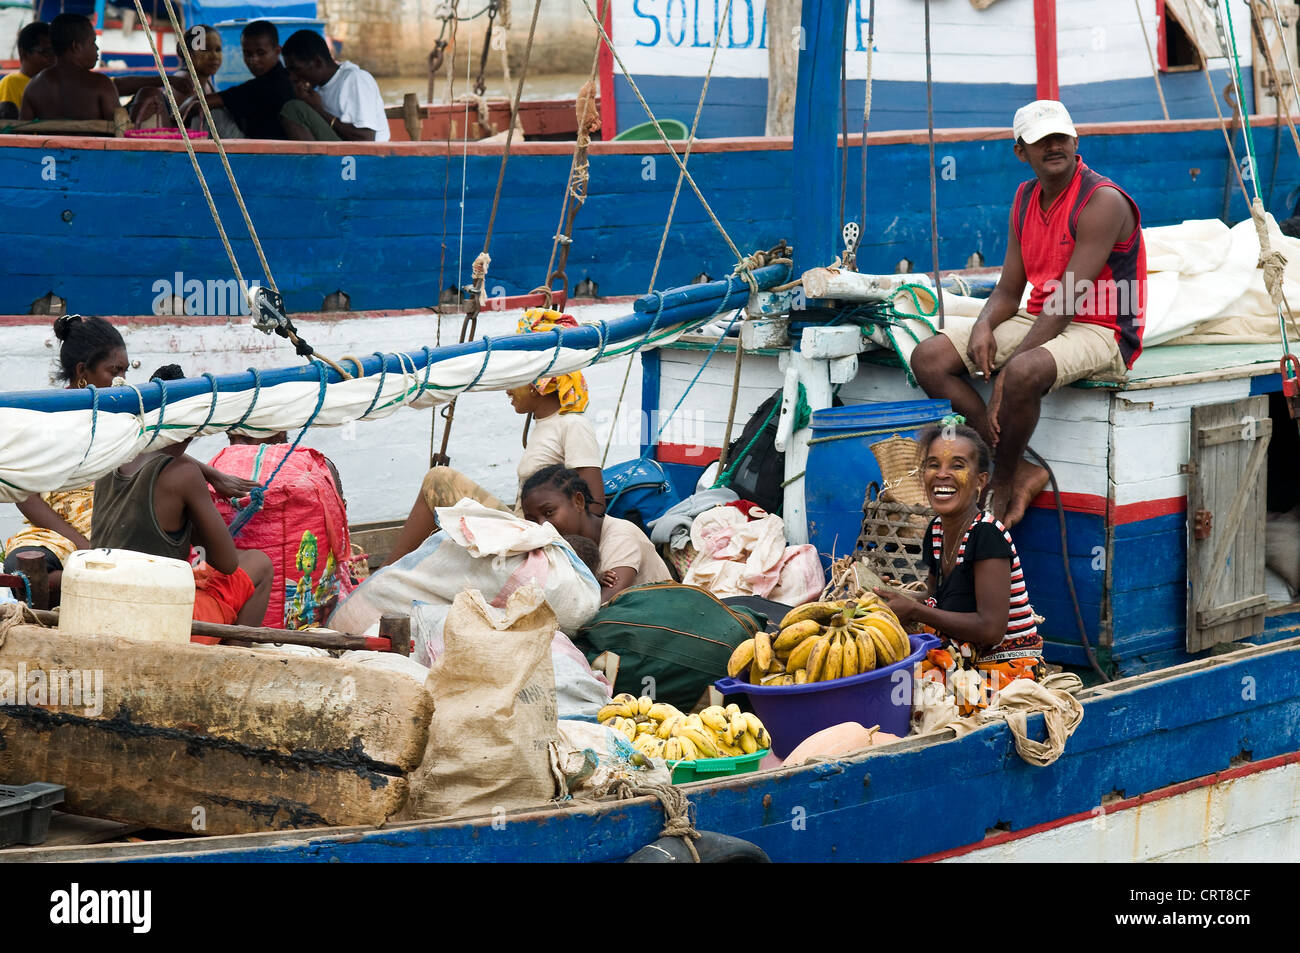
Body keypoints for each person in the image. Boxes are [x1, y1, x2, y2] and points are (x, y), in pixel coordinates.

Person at [910, 100, 1147, 527]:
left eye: (1060, 138)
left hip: (1103, 328)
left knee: (1020, 374)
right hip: (1043, 317)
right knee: (929, 358)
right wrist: (984, 324)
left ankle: (1001, 481)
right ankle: (1015, 466)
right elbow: (1008, 289)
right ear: (1021, 151)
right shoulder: (1023, 198)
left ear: (1076, 141)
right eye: (1041, 141)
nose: (1053, 147)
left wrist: (1010, 369)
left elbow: (1067, 301)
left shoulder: (1102, 200)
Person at [3, 319, 256, 602]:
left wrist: (211, 474)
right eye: (114, 370)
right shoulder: (49, 419)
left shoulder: (117, 415)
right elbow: (24, 495)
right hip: (56, 531)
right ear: (82, 372)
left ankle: (82, 579)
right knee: (24, 564)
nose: (121, 378)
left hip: (105, 517)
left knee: (106, 565)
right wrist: (82, 546)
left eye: (124, 370)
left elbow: (150, 444)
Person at [384, 309, 607, 564]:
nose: (507, 389)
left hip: (533, 540)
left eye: (515, 378)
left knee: (439, 480)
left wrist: (579, 564)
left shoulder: (573, 425)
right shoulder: (544, 425)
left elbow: (594, 508)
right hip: (522, 530)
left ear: (540, 381)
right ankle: (399, 568)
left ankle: (389, 570)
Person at [872, 422, 1043, 707]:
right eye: (933, 465)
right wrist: (898, 598)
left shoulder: (987, 534)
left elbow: (991, 629)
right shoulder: (937, 530)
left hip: (1006, 669)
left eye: (958, 465)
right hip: (966, 657)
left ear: (980, 481)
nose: (942, 475)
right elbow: (935, 600)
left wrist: (914, 609)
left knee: (903, 698)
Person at [91, 365, 273, 629]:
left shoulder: (113, 456)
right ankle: (236, 656)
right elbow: (227, 563)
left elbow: (155, 454)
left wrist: (210, 475)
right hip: (158, 621)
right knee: (259, 563)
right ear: (191, 425)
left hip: (105, 607)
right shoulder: (183, 475)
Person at [520, 465, 670, 603]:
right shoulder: (562, 545)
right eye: (532, 520)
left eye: (549, 512)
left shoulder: (621, 537)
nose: (542, 525)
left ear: (578, 501)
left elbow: (599, 606)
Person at [183, 20, 292, 139]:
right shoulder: (185, 80)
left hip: (263, 151)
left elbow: (197, 104)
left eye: (261, 53)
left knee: (211, 113)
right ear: (190, 53)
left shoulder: (269, 84)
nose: (253, 60)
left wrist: (173, 118)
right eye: (247, 54)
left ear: (277, 51)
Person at [126, 25, 241, 138]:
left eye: (218, 50)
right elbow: (176, 125)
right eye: (205, 49)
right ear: (189, 53)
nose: (214, 56)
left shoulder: (205, 81)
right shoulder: (185, 82)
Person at [279, 29, 389, 142]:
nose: (292, 77)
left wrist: (318, 109)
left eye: (296, 69)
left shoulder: (355, 79)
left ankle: (313, 161)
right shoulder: (319, 89)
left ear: (318, 62)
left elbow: (366, 139)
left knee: (294, 109)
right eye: (289, 72)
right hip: (344, 154)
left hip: (364, 157)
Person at [19, 14, 117, 123]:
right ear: (76, 46)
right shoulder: (101, 84)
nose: (96, 48)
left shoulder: (33, 87)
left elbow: (21, 133)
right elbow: (120, 130)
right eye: (93, 42)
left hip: (46, 141)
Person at [0, 22, 55, 121]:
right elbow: (11, 128)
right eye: (47, 52)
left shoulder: (54, 83)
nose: (53, 58)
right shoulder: (12, 82)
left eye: (56, 52)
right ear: (24, 53)